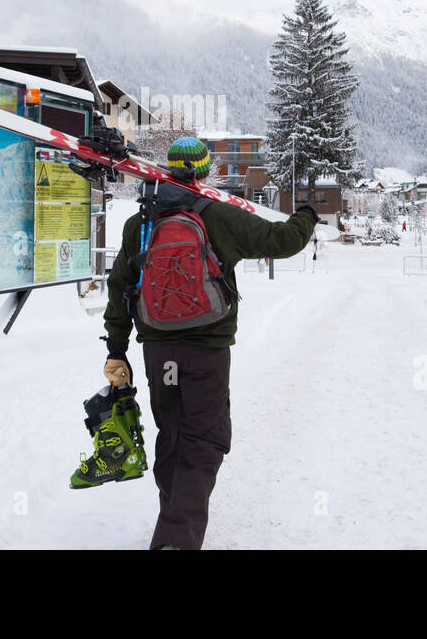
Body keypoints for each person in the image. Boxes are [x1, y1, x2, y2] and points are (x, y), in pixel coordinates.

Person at [102, 137, 318, 550]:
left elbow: (119, 288)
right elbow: (283, 241)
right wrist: (306, 215)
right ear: (205, 171)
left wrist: (116, 348)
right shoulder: (220, 215)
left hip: (157, 350)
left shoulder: (141, 223)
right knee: (205, 440)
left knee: (173, 434)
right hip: (206, 350)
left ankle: (173, 517)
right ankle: (176, 539)